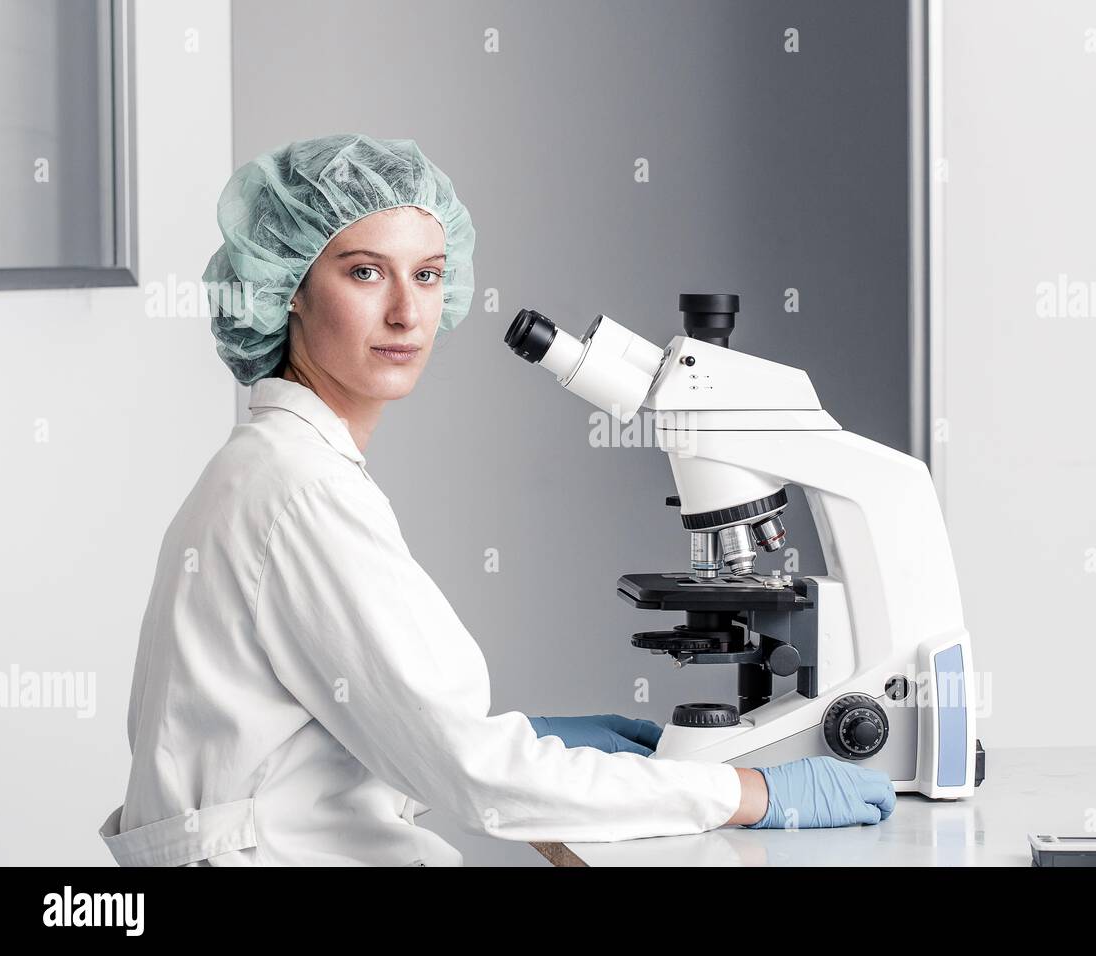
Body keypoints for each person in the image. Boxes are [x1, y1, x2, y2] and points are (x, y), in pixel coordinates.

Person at [98, 133, 895, 866]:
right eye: (365, 271)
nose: (408, 311)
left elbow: (313, 751)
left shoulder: (268, 467)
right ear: (290, 289)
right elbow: (475, 780)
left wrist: (533, 742)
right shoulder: (300, 494)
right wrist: (747, 797)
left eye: (430, 274)